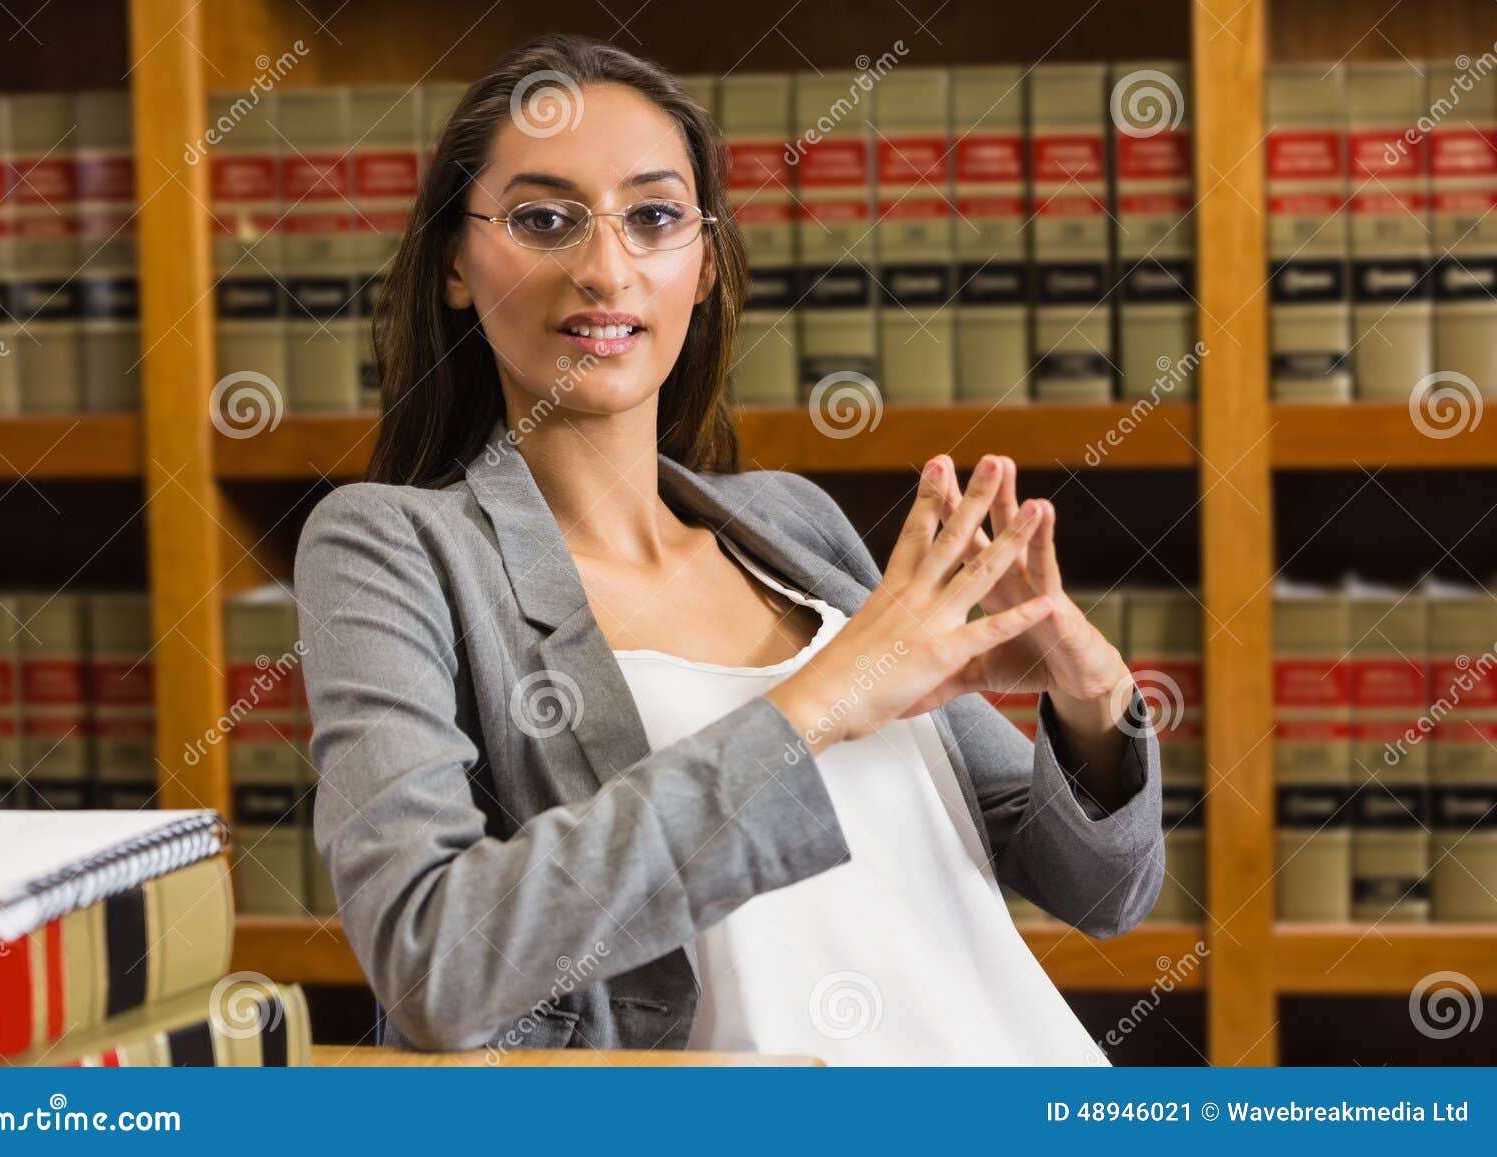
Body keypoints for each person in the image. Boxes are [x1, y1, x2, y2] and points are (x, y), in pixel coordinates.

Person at [294, 32, 1163, 1064]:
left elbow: (1100, 892)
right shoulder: (392, 547)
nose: (605, 267)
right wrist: (817, 703)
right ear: (452, 261)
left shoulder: (787, 524)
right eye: (542, 219)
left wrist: (1092, 707)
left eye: (654, 216)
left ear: (702, 263)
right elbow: (435, 962)